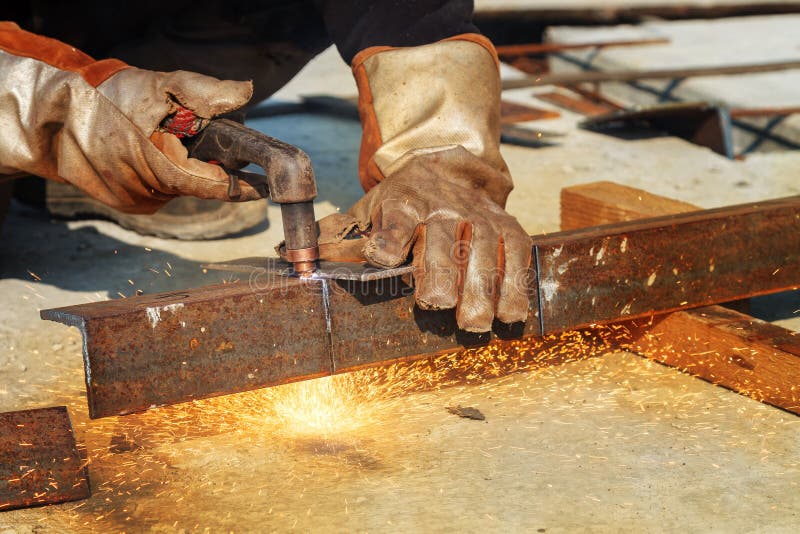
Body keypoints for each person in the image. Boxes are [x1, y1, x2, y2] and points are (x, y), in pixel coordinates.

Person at [0, 1, 532, 332]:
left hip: (163, 36)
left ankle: (148, 157)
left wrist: (439, 150)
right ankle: (66, 164)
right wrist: (67, 109)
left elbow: (410, 14)